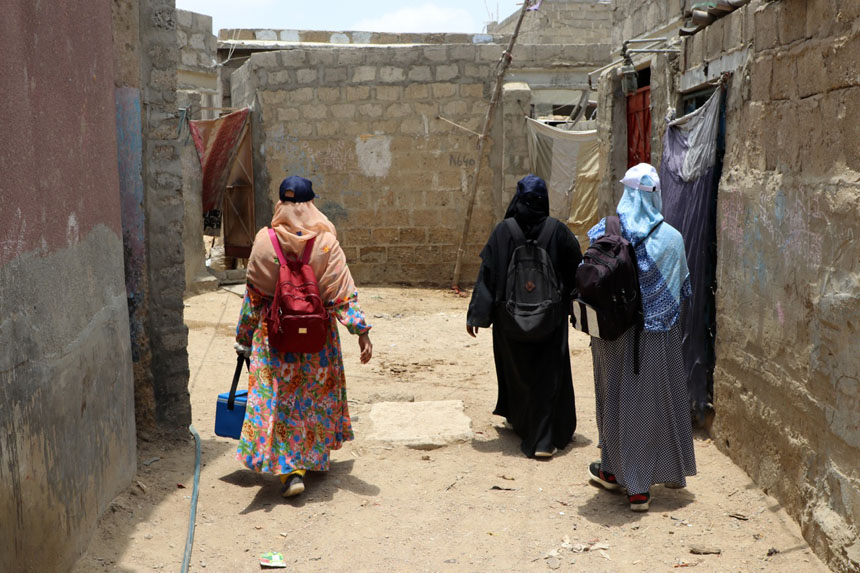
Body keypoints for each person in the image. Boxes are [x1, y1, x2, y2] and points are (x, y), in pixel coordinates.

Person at [234, 175, 372, 498]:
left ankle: (289, 468)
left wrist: (243, 338)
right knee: (314, 399)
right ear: (311, 204)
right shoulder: (326, 244)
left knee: (281, 400)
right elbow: (342, 294)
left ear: (281, 203)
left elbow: (253, 298)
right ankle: (309, 458)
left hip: (276, 338)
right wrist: (361, 331)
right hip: (317, 343)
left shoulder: (265, 243)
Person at [586, 163, 696, 511]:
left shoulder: (604, 229)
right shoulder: (673, 238)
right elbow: (684, 289)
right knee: (645, 406)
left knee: (613, 398)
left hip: (610, 333)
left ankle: (616, 472)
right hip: (654, 336)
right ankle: (639, 483)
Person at [466, 174, 582, 458]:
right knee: (548, 374)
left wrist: (477, 316)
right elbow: (577, 271)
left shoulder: (503, 232)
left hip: (509, 321)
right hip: (550, 321)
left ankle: (529, 430)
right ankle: (546, 436)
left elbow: (488, 276)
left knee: (517, 371)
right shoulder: (558, 231)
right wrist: (573, 307)